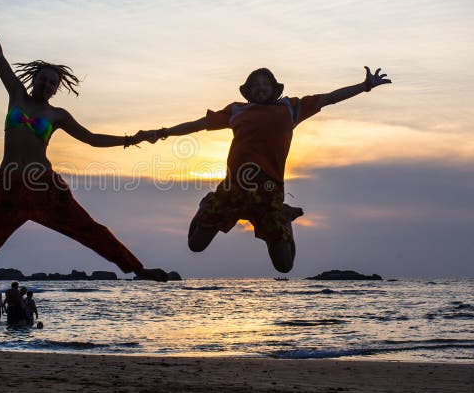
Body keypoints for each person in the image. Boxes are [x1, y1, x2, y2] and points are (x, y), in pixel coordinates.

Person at [0, 1, 167, 306]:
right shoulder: (16, 96)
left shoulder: (58, 115)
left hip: (44, 187)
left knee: (88, 229)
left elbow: (92, 138)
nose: (46, 84)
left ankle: (137, 269)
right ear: (34, 80)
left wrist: (131, 139)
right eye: (43, 79)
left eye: (52, 83)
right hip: (7, 189)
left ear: (56, 89)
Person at [145, 66, 391, 274]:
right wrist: (164, 132)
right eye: (255, 85)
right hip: (234, 190)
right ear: (248, 91)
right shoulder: (236, 111)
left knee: (284, 266)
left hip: (270, 193)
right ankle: (206, 203)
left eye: (266, 83)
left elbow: (330, 98)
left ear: (274, 89)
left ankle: (284, 218)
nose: (260, 87)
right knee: (195, 245)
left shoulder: (291, 108)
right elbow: (198, 125)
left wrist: (364, 86)